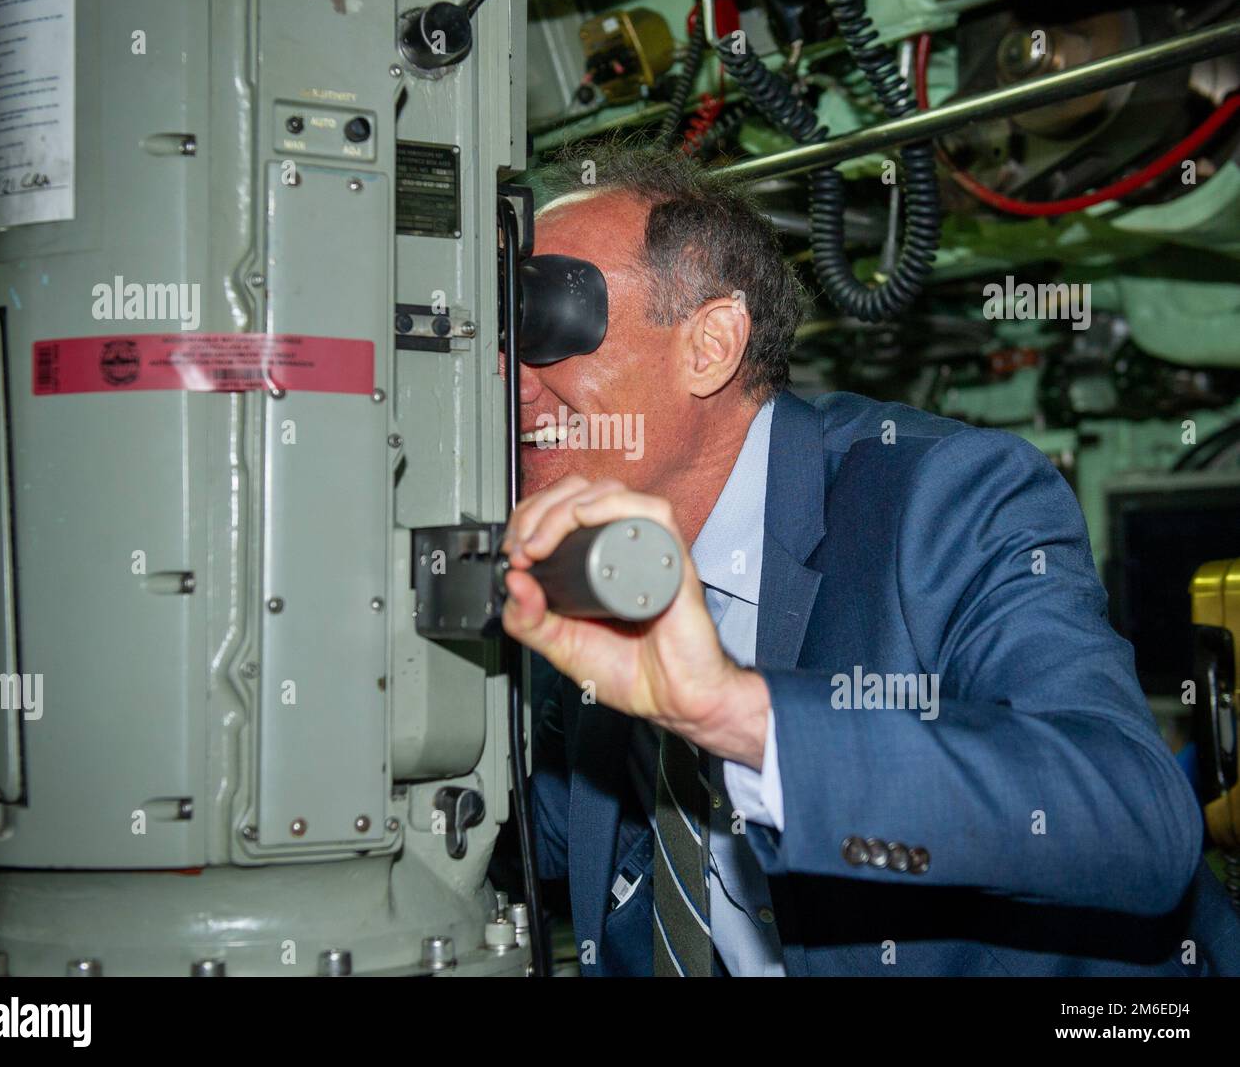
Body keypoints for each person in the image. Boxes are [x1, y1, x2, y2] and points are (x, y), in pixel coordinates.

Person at [500, 144, 1239, 977]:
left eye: (544, 326)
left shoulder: (945, 498)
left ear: (709, 344)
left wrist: (736, 716)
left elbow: (1136, 820)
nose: (505, 374)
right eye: (498, 336)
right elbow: (541, 834)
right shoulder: (595, 564)